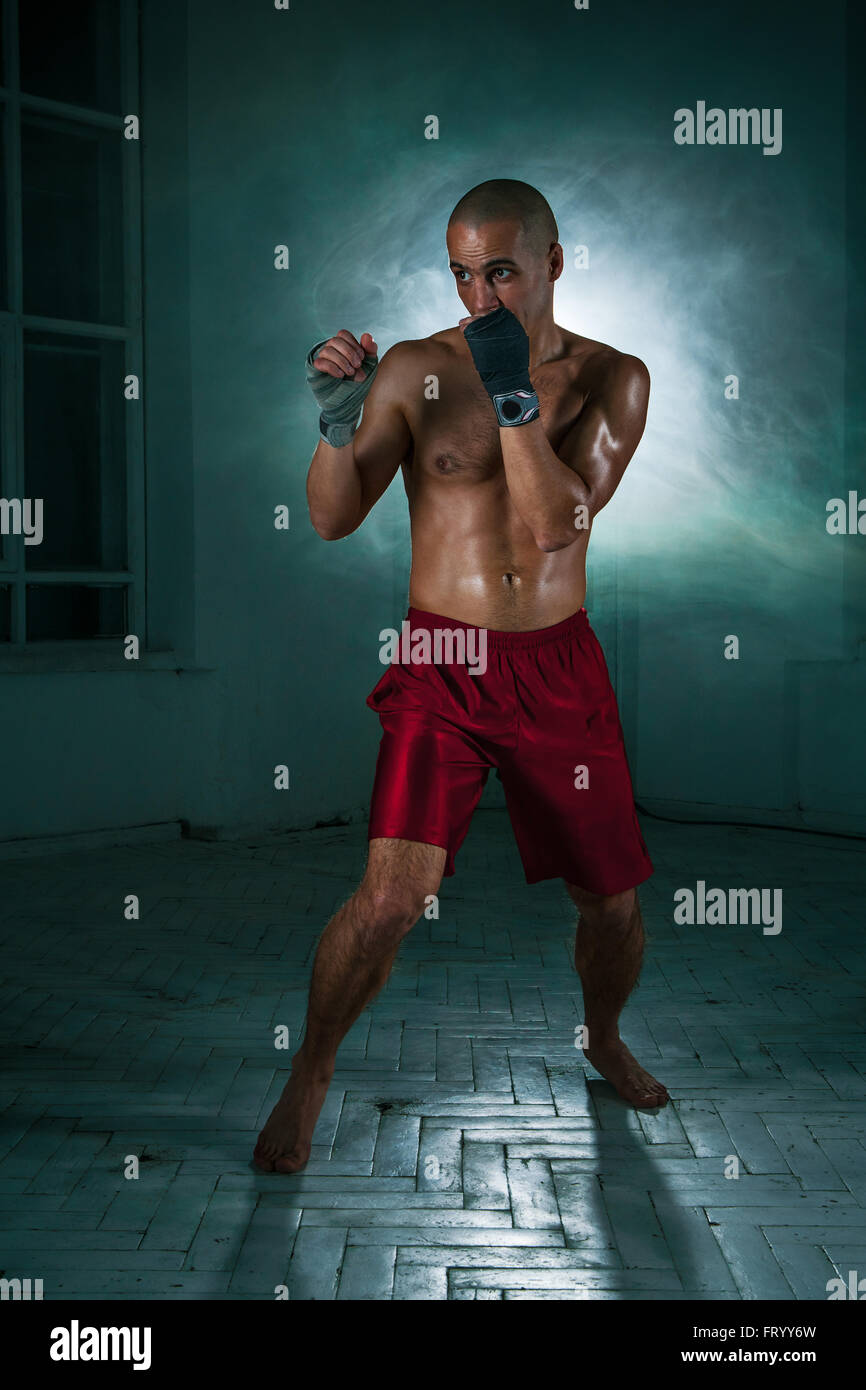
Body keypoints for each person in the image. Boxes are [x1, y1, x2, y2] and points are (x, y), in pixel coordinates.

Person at [254, 178, 668, 1175]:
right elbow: (329, 516)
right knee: (392, 895)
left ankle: (600, 1036)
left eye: (500, 271)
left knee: (608, 901)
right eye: (460, 272)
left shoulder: (614, 378)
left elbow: (554, 524)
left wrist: (513, 395)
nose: (477, 293)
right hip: (443, 658)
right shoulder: (415, 369)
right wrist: (336, 424)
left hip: (556, 664)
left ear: (552, 264)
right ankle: (310, 1068)